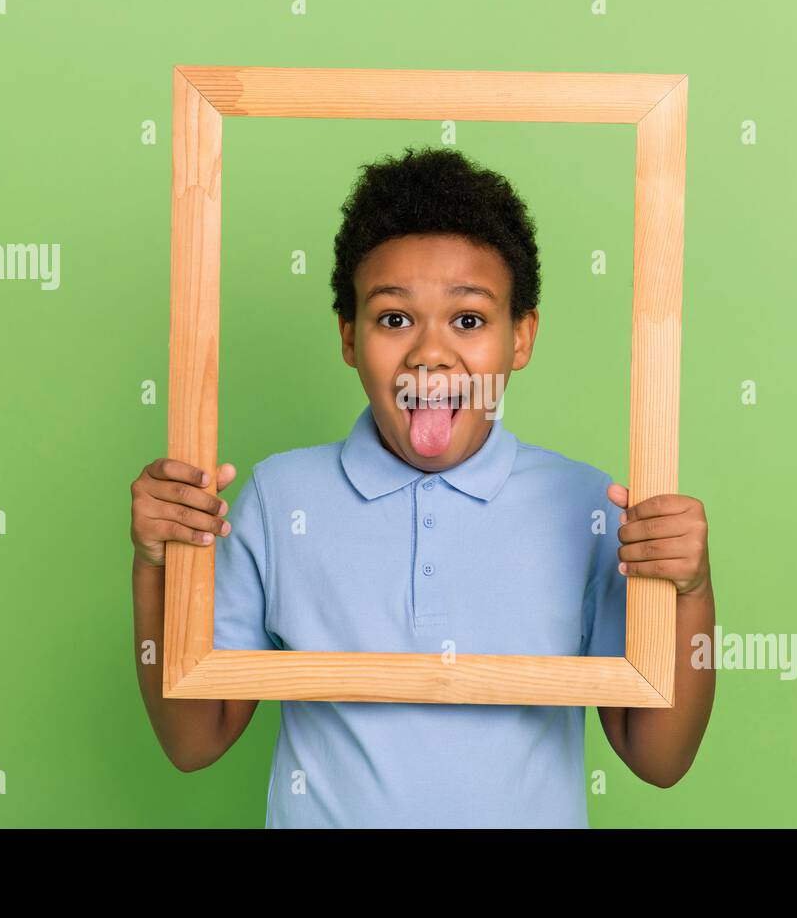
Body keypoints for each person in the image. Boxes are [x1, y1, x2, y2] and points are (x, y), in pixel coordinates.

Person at [129, 146, 715, 827]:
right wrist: (154, 567)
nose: (430, 351)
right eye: (394, 318)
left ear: (519, 339)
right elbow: (193, 739)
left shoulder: (587, 506)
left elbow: (660, 759)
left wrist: (692, 592)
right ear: (348, 337)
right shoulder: (276, 500)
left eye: (468, 320)